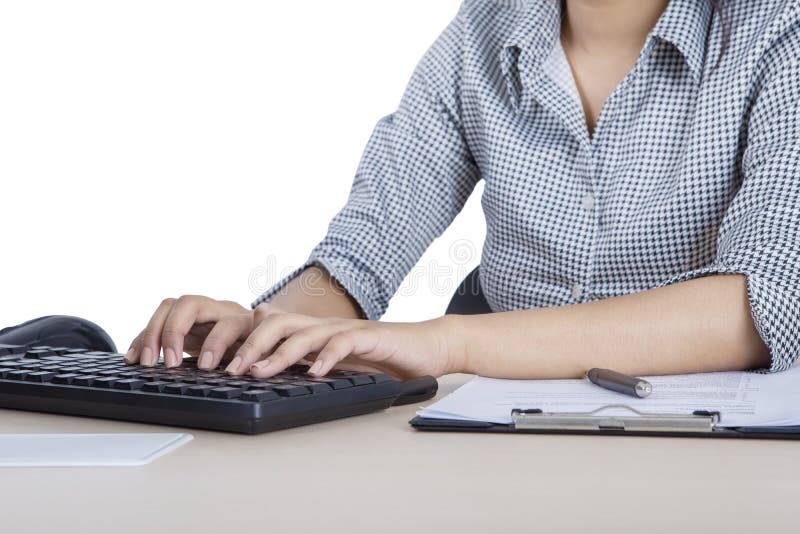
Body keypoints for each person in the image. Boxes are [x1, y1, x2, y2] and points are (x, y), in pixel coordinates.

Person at [125, 0, 800, 381]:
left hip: (705, 456)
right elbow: (359, 258)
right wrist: (266, 332)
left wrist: (449, 344)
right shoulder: (483, 32)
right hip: (500, 446)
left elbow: (753, 309)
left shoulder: (778, 31)